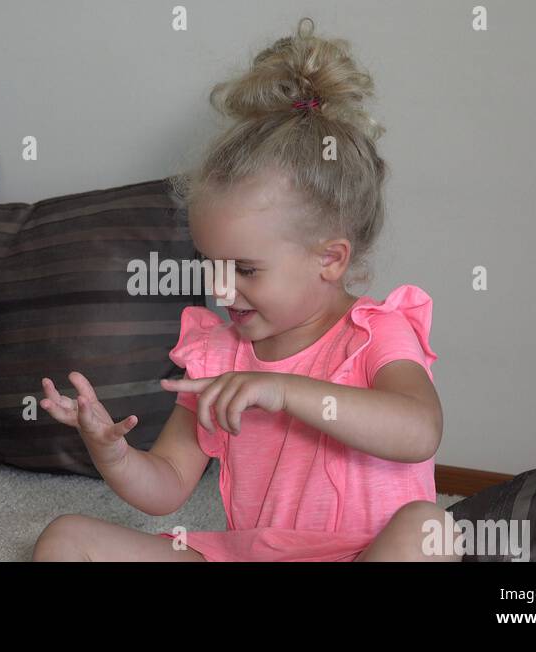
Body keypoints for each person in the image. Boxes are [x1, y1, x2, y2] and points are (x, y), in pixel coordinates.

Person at [32, 17, 461, 562]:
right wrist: (111, 453)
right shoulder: (217, 355)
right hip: (251, 555)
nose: (220, 288)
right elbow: (166, 485)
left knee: (431, 529)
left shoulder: (376, 334)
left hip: (363, 554)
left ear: (329, 259)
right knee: (67, 539)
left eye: (246, 269)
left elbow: (420, 431)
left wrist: (282, 392)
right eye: (211, 265)